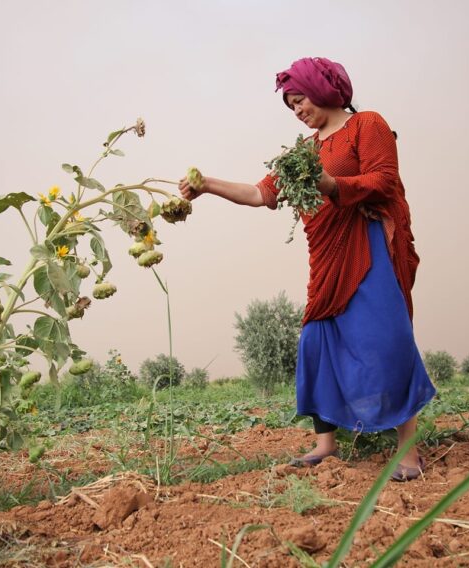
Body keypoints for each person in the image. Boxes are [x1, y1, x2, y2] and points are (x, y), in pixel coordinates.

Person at [179, 57, 436, 482]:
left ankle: (408, 452)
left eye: (300, 100)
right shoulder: (305, 152)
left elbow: (385, 179)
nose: (297, 110)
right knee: (318, 342)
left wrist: (333, 186)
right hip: (327, 258)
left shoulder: (365, 125)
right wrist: (206, 185)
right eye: (291, 105)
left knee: (387, 340)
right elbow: (262, 193)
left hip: (366, 246)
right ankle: (325, 444)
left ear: (322, 89)